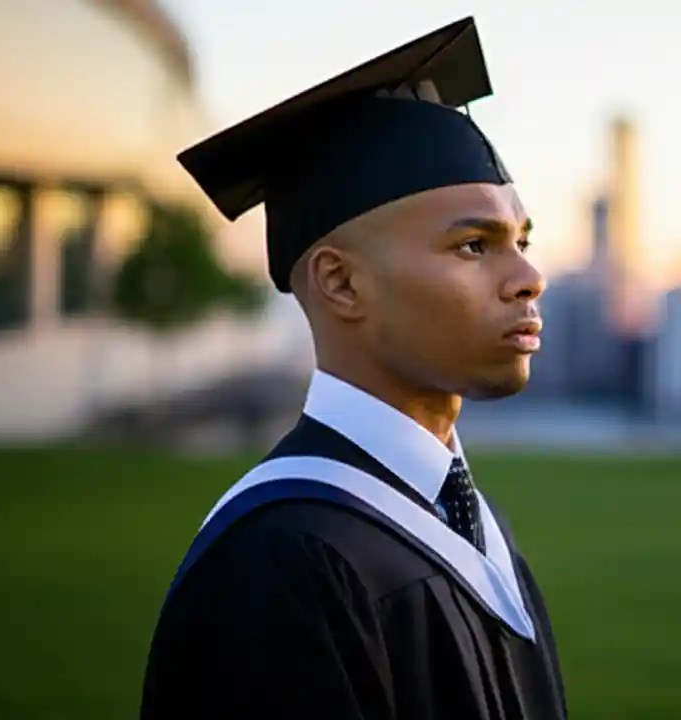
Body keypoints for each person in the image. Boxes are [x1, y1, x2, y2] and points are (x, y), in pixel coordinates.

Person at [140, 18, 567, 719]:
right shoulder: (279, 561)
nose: (529, 278)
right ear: (340, 283)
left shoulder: (469, 523)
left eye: (522, 241)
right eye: (473, 245)